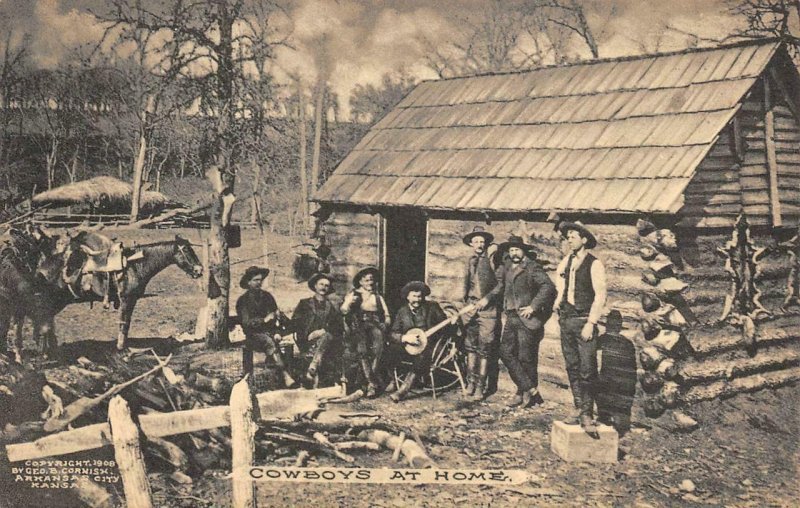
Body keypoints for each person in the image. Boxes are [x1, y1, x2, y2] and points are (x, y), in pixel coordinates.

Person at [486, 235, 556, 409]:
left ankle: (522, 394)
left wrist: (533, 306)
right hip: (511, 316)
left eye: (517, 249)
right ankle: (529, 388)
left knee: (526, 357)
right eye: (511, 250)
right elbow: (500, 284)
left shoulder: (532, 267)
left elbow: (548, 287)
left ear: (523, 251)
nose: (514, 253)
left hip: (526, 318)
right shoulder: (508, 266)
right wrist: (487, 298)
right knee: (505, 352)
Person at [553, 221, 608, 436]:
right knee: (572, 366)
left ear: (584, 240)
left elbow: (600, 295)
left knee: (587, 369)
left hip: (584, 321)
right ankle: (578, 407)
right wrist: (559, 300)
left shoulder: (595, 264)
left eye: (573, 236)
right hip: (567, 321)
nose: (569, 240)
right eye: (567, 237)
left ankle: (587, 413)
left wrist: (591, 323)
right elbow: (561, 283)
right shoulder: (566, 262)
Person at [383, 281, 453, 402]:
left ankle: (403, 389)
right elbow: (393, 333)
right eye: (414, 296)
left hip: (430, 346)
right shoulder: (402, 311)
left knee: (422, 356)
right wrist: (405, 338)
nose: (417, 300)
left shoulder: (432, 307)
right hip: (409, 346)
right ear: (408, 297)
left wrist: (452, 320)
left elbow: (445, 326)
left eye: (420, 296)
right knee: (390, 350)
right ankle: (394, 380)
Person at [236, 266, 297, 388]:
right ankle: (285, 374)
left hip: (271, 333)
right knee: (268, 341)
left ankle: (278, 378)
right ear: (248, 282)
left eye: (260, 280)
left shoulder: (267, 297)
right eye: (255, 280)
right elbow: (246, 323)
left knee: (277, 340)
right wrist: (263, 320)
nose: (259, 282)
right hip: (253, 336)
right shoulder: (243, 301)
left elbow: (277, 317)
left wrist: (279, 330)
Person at [460, 226, 499, 400]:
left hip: (487, 310)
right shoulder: (469, 261)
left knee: (485, 348)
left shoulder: (492, 260)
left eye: (482, 241)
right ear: (471, 243)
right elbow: (467, 285)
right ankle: (471, 382)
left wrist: (488, 298)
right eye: (476, 241)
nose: (479, 244)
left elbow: (501, 284)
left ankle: (481, 387)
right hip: (470, 308)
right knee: (470, 347)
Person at [341, 267, 391, 398]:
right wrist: (348, 303)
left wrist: (386, 323)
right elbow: (344, 310)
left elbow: (386, 314)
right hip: (358, 326)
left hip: (375, 325)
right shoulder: (354, 294)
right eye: (367, 280)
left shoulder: (378, 297)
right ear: (361, 282)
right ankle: (371, 383)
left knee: (378, 348)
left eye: (372, 280)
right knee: (362, 350)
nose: (370, 283)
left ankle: (369, 383)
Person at [290, 272, 343, 386]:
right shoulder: (304, 303)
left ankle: (313, 366)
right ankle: (313, 368)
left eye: (326, 285)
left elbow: (338, 326)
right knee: (326, 337)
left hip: (325, 340)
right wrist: (307, 334)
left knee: (327, 336)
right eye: (321, 284)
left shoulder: (331, 306)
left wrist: (322, 331)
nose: (323, 287)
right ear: (315, 286)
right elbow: (295, 322)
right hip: (307, 340)